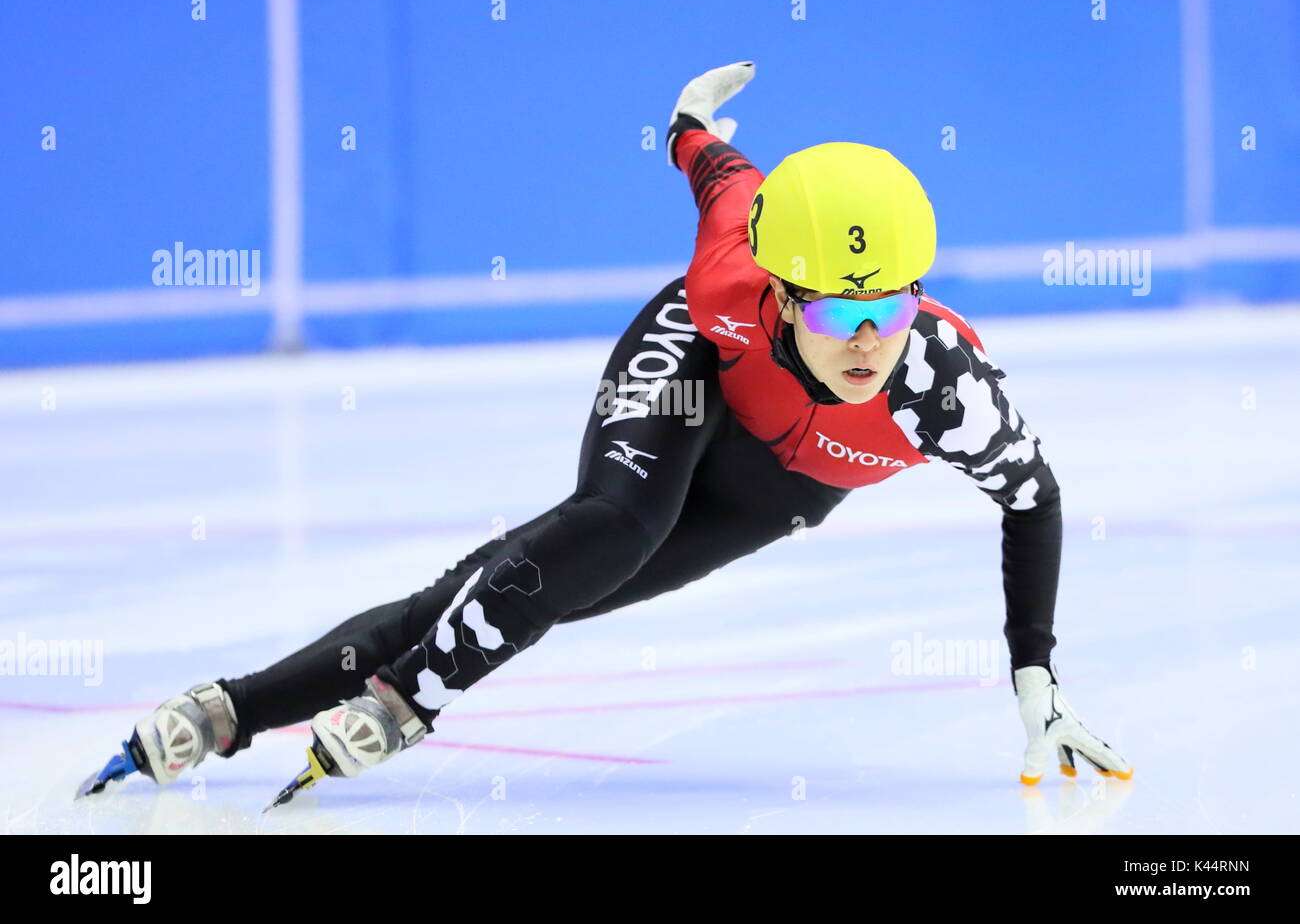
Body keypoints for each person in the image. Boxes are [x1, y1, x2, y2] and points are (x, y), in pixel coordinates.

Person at [78, 62, 1131, 806]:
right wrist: (689, 116)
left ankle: (227, 707)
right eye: (833, 313)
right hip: (690, 369)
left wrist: (1032, 673)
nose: (865, 343)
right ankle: (407, 699)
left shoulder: (945, 390)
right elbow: (708, 161)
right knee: (615, 521)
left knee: (530, 587)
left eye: (888, 311)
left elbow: (1030, 496)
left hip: (788, 479)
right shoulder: (733, 268)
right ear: (780, 291)